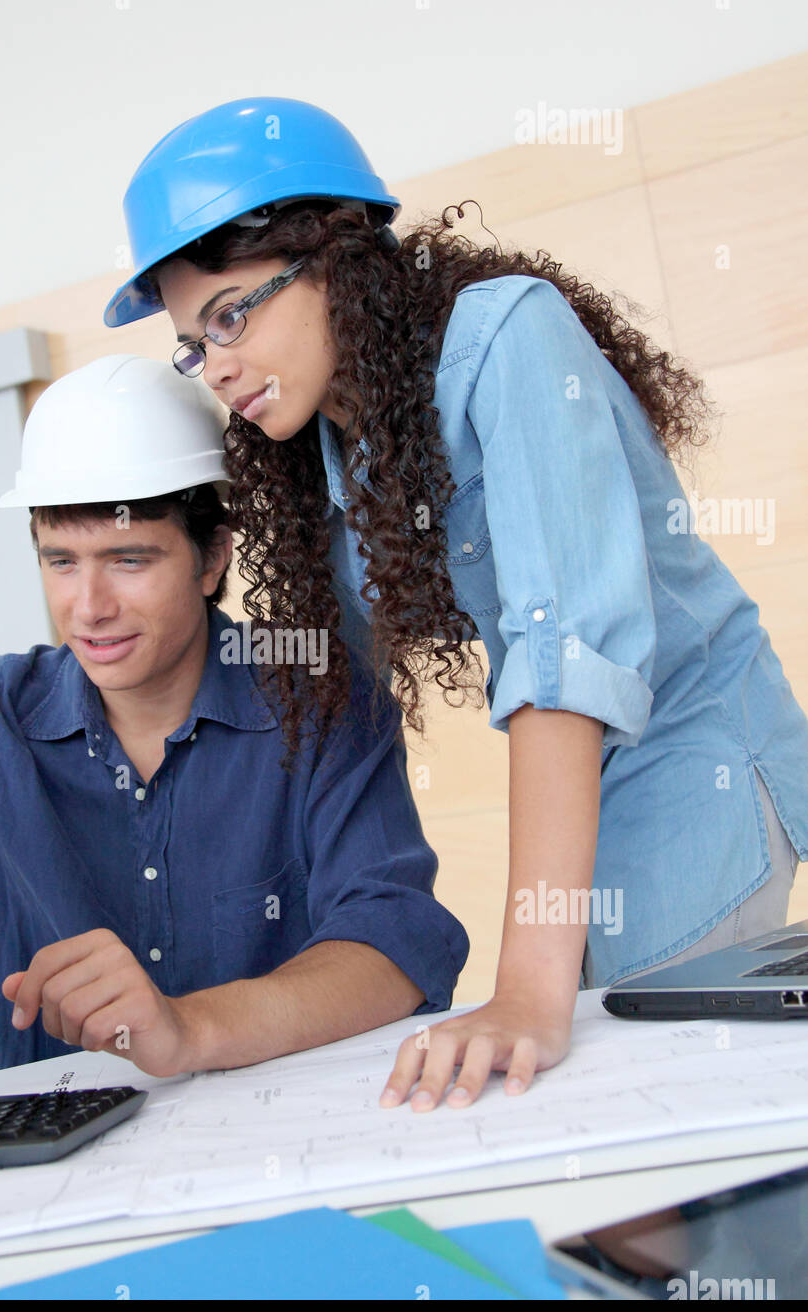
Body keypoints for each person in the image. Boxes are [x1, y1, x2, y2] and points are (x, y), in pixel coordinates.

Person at [103, 95, 808, 1110]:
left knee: (652, 1098)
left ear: (334, 258)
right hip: (586, 799)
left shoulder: (506, 336)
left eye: (229, 314)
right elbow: (330, 696)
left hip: (689, 760)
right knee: (575, 1086)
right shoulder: (327, 450)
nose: (215, 367)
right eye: (189, 343)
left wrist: (524, 988)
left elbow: (561, 665)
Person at [0, 354, 467, 1073]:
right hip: (66, 1175)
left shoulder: (320, 698)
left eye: (128, 560)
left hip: (281, 1146)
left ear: (211, 556)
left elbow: (393, 946)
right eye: (61, 562)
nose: (88, 608)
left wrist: (188, 1027)